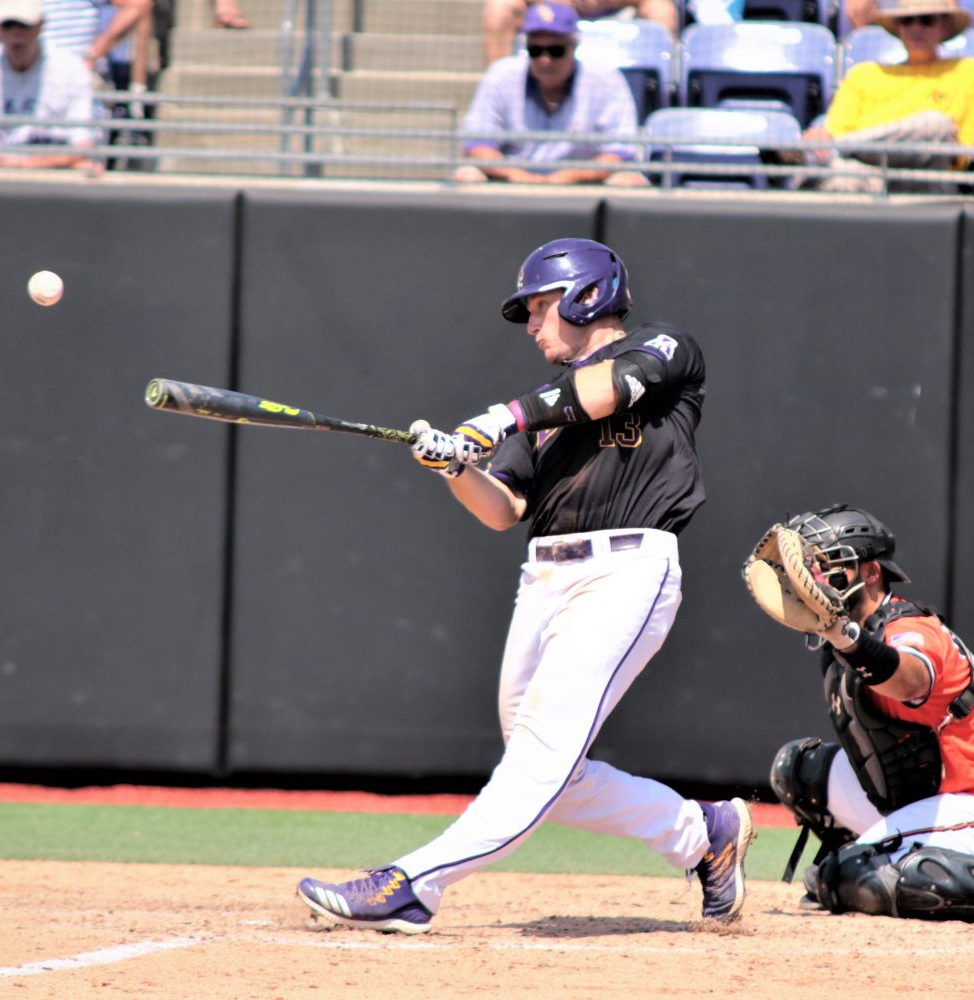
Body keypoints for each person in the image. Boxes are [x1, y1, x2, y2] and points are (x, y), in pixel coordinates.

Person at [295, 237, 755, 934]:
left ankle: (415, 884)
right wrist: (453, 466)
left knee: (540, 755)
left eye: (541, 309)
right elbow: (501, 509)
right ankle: (702, 833)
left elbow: (608, 392)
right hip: (544, 575)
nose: (533, 325)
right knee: (551, 772)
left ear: (587, 296)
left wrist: (498, 418)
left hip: (625, 568)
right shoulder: (538, 411)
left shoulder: (662, 350)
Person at [767, 505, 974, 921]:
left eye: (829, 565)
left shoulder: (910, 629)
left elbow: (910, 679)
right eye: (813, 566)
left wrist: (847, 640)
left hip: (962, 800)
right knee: (799, 772)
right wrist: (844, 638)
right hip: (922, 795)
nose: (815, 579)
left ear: (872, 573)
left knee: (848, 877)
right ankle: (889, 848)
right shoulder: (848, 633)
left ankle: (908, 861)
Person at [456, 1, 648, 185]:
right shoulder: (501, 75)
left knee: (628, 179)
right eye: (536, 50)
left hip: (585, 184)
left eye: (555, 51)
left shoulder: (606, 81)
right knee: (467, 175)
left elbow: (621, 152)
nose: (545, 60)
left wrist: (572, 176)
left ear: (573, 47)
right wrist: (517, 175)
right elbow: (477, 145)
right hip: (512, 181)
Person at [797, 0, 974, 193]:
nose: (916, 28)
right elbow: (836, 131)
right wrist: (823, 140)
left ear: (944, 25)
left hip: (930, 177)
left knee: (936, 124)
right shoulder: (864, 74)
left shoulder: (967, 72)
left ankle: (839, 149)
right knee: (842, 177)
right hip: (868, 174)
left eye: (926, 20)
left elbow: (964, 151)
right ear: (899, 27)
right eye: (907, 21)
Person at [0, 0, 97, 168]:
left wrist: (29, 164)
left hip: (49, 176)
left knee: (87, 167)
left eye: (24, 25)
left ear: (40, 26)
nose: (16, 33)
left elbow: (83, 145)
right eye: (8, 25)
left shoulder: (71, 69)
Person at [482, 0, 678, 67]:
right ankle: (499, 87)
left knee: (662, 10)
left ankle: (666, 98)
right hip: (552, 11)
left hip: (617, 8)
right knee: (500, 7)